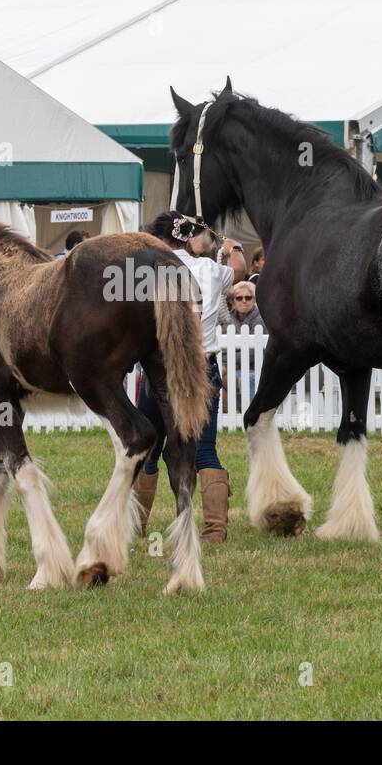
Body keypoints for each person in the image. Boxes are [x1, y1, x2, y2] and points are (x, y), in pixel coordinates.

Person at [133, 211, 245, 543]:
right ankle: (215, 529)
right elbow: (239, 270)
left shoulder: (147, 272)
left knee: (148, 449)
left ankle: (137, 524)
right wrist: (231, 246)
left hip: (163, 369)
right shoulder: (211, 270)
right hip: (203, 367)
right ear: (186, 238)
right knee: (205, 450)